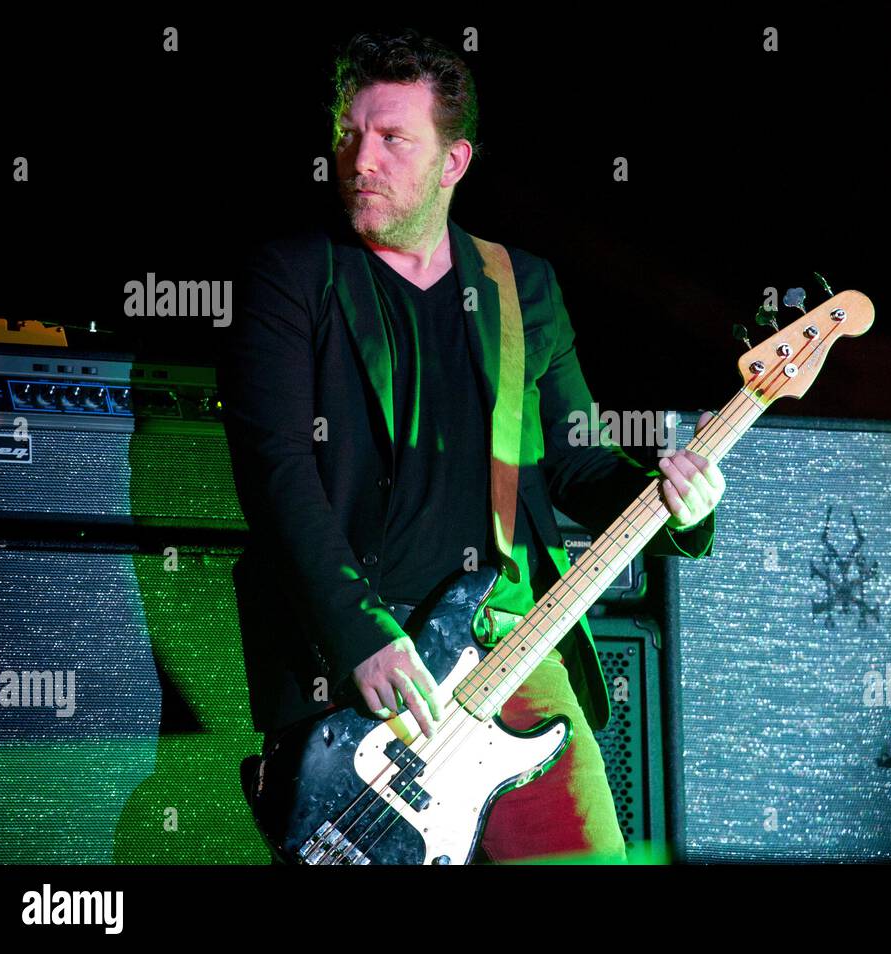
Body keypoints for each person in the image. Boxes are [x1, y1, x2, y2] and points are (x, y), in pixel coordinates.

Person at [220, 29, 724, 864]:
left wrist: (678, 506)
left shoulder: (522, 286)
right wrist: (357, 634)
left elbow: (579, 463)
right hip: (370, 669)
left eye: (392, 138)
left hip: (513, 651)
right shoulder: (294, 277)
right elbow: (277, 475)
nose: (360, 159)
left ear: (452, 162)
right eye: (348, 134)